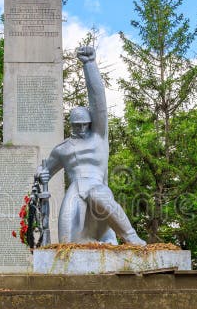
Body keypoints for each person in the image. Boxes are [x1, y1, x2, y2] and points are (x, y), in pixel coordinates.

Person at [36, 46, 146, 245]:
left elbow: (99, 103)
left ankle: (131, 237)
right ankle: (98, 240)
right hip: (75, 190)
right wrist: (41, 174)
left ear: (89, 123)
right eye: (76, 125)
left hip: (97, 186)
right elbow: (44, 170)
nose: (80, 129)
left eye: (83, 125)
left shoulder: (98, 137)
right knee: (66, 243)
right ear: (70, 125)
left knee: (98, 195)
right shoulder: (63, 148)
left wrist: (89, 65)